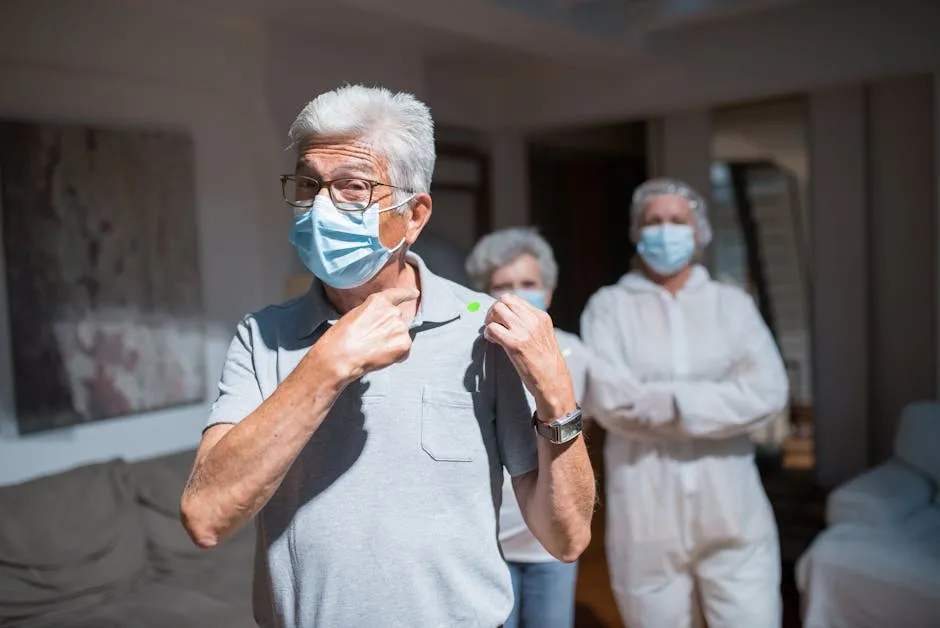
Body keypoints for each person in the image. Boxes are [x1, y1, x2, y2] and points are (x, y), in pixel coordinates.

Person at [179, 85, 594, 628]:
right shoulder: (263, 335)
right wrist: (327, 365)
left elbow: (567, 538)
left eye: (352, 187)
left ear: (414, 214)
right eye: (309, 185)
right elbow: (206, 516)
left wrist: (557, 393)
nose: (321, 206)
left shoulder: (485, 330)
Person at [581, 178, 788, 628]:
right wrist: (720, 401)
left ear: (699, 232)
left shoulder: (731, 305)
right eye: (654, 221)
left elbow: (768, 392)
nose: (665, 230)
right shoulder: (609, 307)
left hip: (733, 511)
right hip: (645, 511)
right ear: (637, 232)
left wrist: (676, 403)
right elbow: (610, 400)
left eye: (678, 220)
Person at [465, 227, 589, 628]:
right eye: (502, 285)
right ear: (483, 292)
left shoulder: (576, 353)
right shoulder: (472, 357)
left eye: (528, 284)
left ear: (548, 291)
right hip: (485, 541)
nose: (515, 294)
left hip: (549, 542)